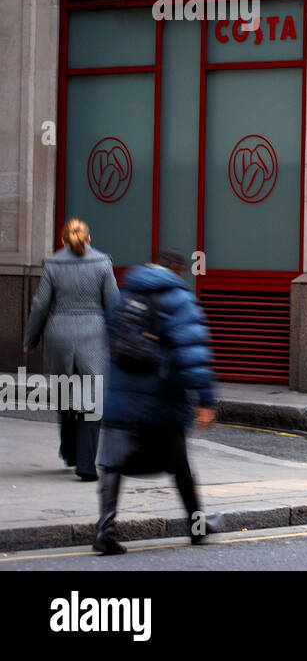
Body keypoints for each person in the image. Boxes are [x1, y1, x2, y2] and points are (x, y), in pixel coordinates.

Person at [94, 247, 217, 555]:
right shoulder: (179, 299)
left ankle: (105, 532)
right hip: (161, 399)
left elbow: (110, 334)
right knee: (180, 467)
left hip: (122, 396)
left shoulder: (126, 293)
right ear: (176, 269)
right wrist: (204, 400)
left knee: (112, 465)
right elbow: (192, 352)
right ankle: (197, 529)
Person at [22, 219, 120, 481]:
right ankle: (86, 464)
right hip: (94, 333)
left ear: (63, 240)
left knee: (65, 391)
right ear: (89, 238)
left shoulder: (53, 264)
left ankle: (69, 450)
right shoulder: (102, 263)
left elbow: (41, 305)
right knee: (91, 397)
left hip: (60, 332)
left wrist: (31, 339)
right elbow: (113, 305)